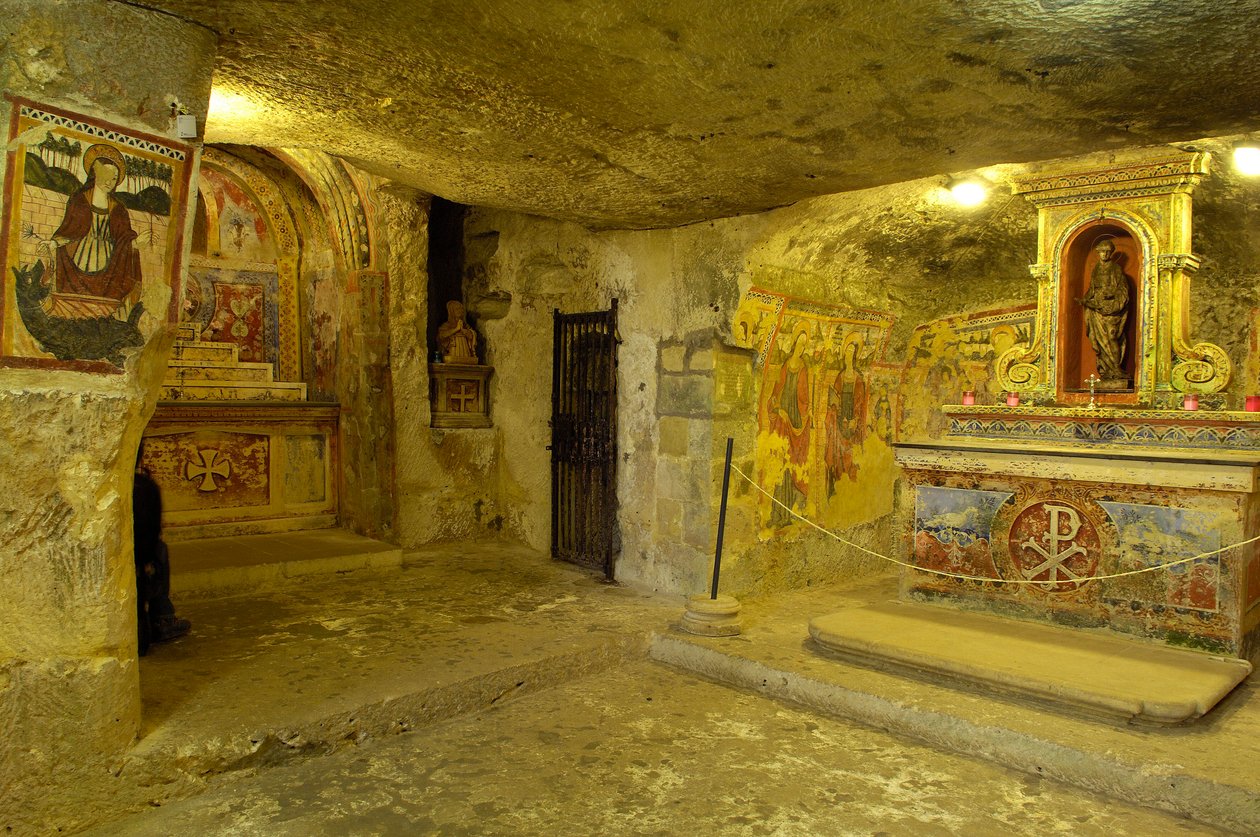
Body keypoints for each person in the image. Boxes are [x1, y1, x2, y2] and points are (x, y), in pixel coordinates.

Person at [38, 143, 143, 320]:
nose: (110, 182)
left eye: (115, 178)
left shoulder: (118, 209)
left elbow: (123, 237)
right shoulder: (80, 200)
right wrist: (53, 243)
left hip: (108, 262)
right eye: (107, 176)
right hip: (80, 257)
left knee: (107, 301)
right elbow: (70, 229)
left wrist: (136, 243)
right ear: (95, 174)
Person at [133, 447, 190, 656]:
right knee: (159, 550)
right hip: (140, 560)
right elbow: (152, 530)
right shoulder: (144, 487)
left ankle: (158, 618)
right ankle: (162, 618)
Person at [1077, 236, 1130, 381]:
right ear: (1098, 252)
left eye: (1107, 252)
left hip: (1112, 309)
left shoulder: (1116, 268)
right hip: (1097, 309)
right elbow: (1092, 288)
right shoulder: (1096, 269)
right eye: (1102, 252)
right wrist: (1085, 299)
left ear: (1111, 253)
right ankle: (1107, 370)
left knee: (1113, 337)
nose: (1105, 254)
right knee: (1099, 340)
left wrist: (1112, 294)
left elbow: (1123, 289)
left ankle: (1117, 368)